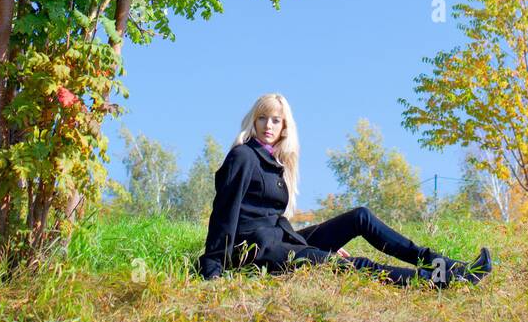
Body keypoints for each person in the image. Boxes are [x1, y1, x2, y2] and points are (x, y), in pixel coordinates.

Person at [195, 93, 491, 288]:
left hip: (282, 239)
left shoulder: (276, 161)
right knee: (354, 265)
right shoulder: (243, 156)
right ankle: (445, 281)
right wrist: (213, 269)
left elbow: (274, 220)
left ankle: (451, 266)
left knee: (359, 217)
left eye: (276, 120)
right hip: (258, 252)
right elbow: (224, 213)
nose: (268, 125)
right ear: (253, 120)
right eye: (262, 118)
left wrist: (314, 243)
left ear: (285, 126)